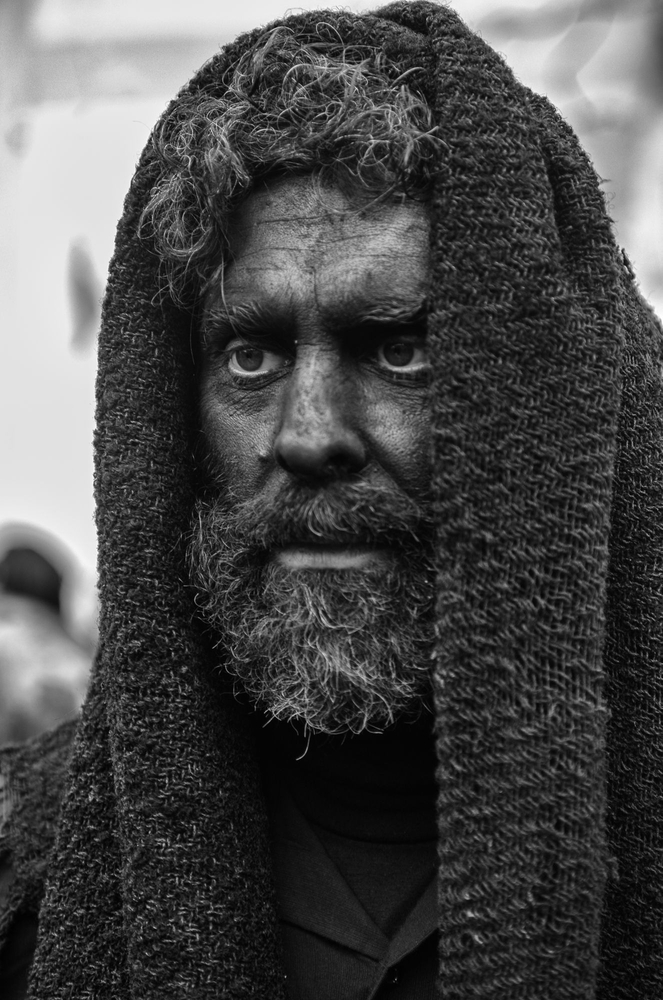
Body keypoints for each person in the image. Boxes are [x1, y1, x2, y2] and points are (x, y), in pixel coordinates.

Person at [1, 2, 662, 997]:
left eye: (399, 347)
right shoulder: (23, 876)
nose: (310, 434)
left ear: (552, 406)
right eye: (251, 353)